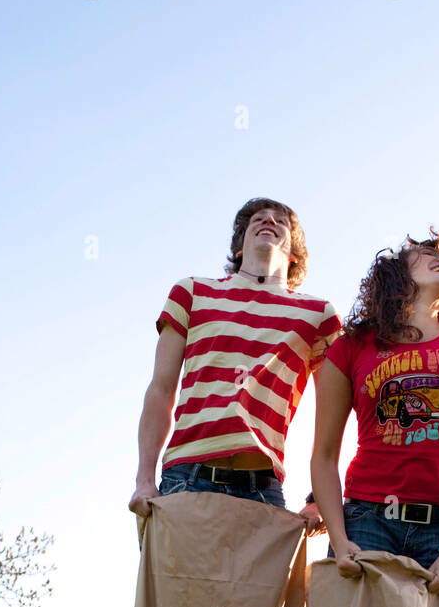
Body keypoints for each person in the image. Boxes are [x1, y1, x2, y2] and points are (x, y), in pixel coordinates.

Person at [128, 197, 340, 520]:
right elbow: (160, 390)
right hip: (185, 477)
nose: (268, 220)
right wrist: (144, 480)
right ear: (239, 248)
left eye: (281, 220)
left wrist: (317, 498)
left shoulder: (318, 316)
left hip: (262, 488)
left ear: (295, 255)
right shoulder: (192, 293)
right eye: (258, 218)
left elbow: (333, 414)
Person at [310, 228, 439, 586]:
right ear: (397, 273)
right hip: (367, 521)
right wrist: (339, 538)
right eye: (428, 254)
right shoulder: (350, 348)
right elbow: (323, 455)